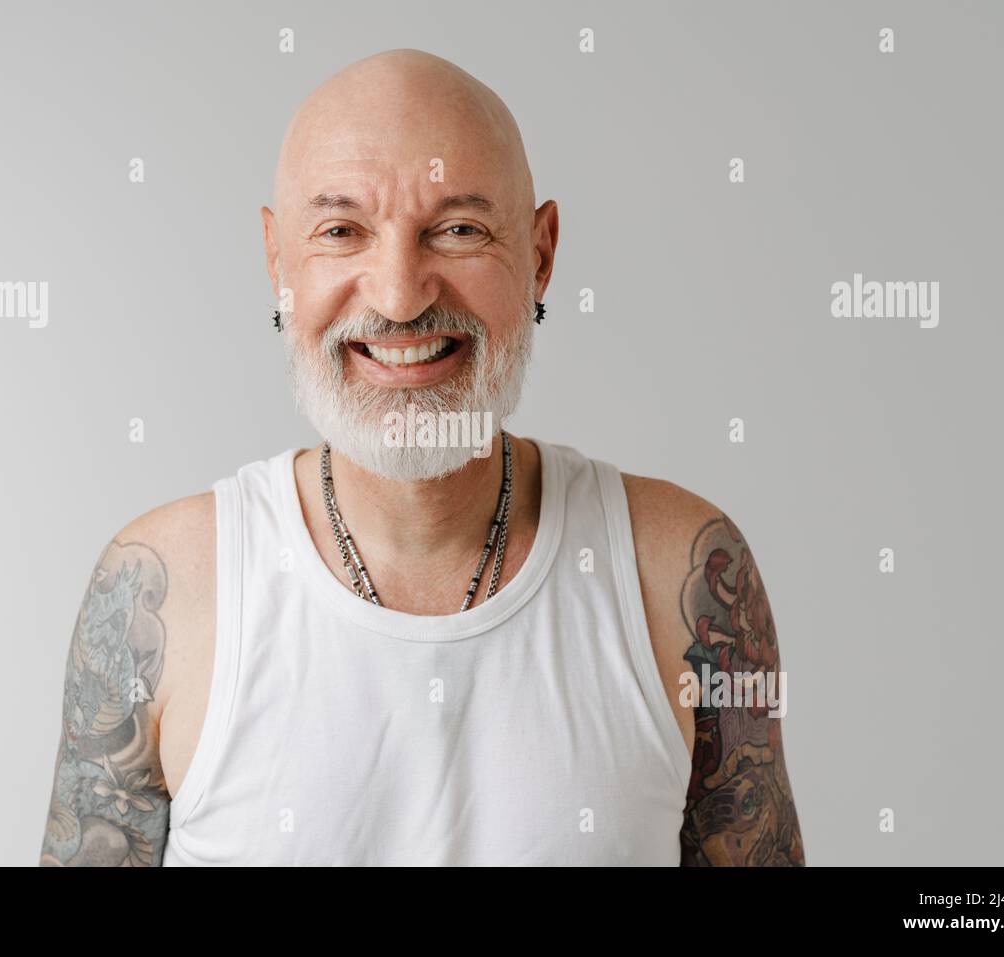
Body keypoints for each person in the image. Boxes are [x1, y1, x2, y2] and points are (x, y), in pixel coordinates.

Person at [39, 48, 804, 867]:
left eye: (459, 229)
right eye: (341, 231)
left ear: (541, 254)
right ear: (277, 261)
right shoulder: (162, 587)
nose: (400, 294)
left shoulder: (681, 573)